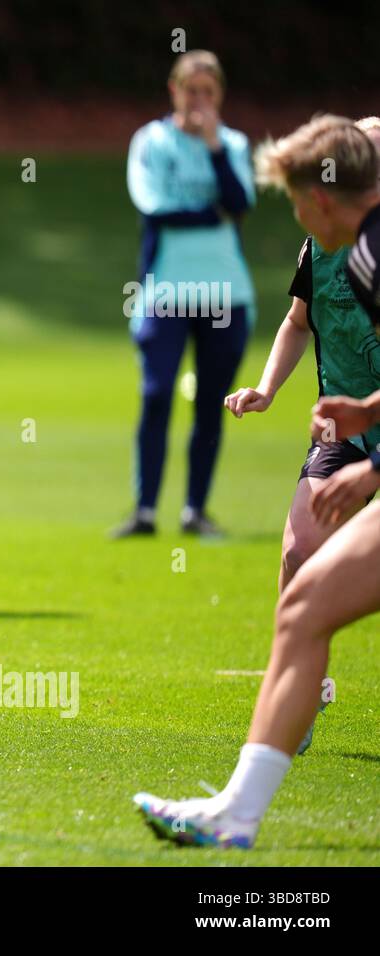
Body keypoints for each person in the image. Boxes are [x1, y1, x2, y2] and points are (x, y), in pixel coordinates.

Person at [135, 115, 380, 848]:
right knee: (302, 602)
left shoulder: (372, 254)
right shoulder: (352, 250)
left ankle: (236, 813)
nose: (296, 216)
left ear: (325, 200)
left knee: (305, 606)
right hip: (355, 442)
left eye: (298, 200)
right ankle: (237, 813)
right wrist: (365, 414)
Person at [223, 116, 380, 754]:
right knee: (298, 552)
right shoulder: (323, 243)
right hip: (346, 423)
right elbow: (297, 323)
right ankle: (302, 690)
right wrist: (267, 388)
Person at [114, 50, 256, 539]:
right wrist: (209, 212)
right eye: (190, 90)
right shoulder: (151, 141)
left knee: (211, 402)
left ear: (219, 98)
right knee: (156, 396)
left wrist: (215, 149)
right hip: (167, 290)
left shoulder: (232, 144)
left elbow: (240, 204)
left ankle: (195, 509)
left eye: (208, 92)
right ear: (173, 90)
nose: (198, 101)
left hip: (225, 292)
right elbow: (154, 207)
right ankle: (145, 510)